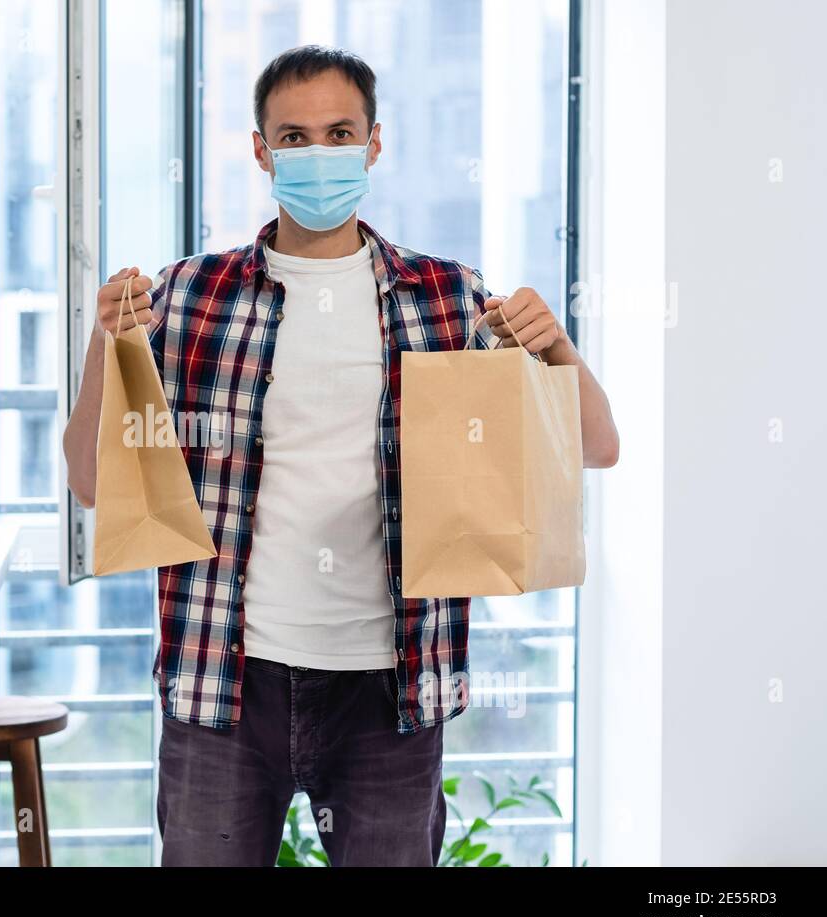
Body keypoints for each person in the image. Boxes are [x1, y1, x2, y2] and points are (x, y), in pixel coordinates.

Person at [62, 44, 618, 867]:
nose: (317, 154)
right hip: (227, 679)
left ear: (374, 144)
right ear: (260, 150)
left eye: (338, 132)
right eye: (293, 137)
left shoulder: (448, 299)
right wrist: (102, 345)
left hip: (389, 692)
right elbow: (88, 480)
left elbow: (597, 446)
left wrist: (559, 349)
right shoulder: (188, 297)